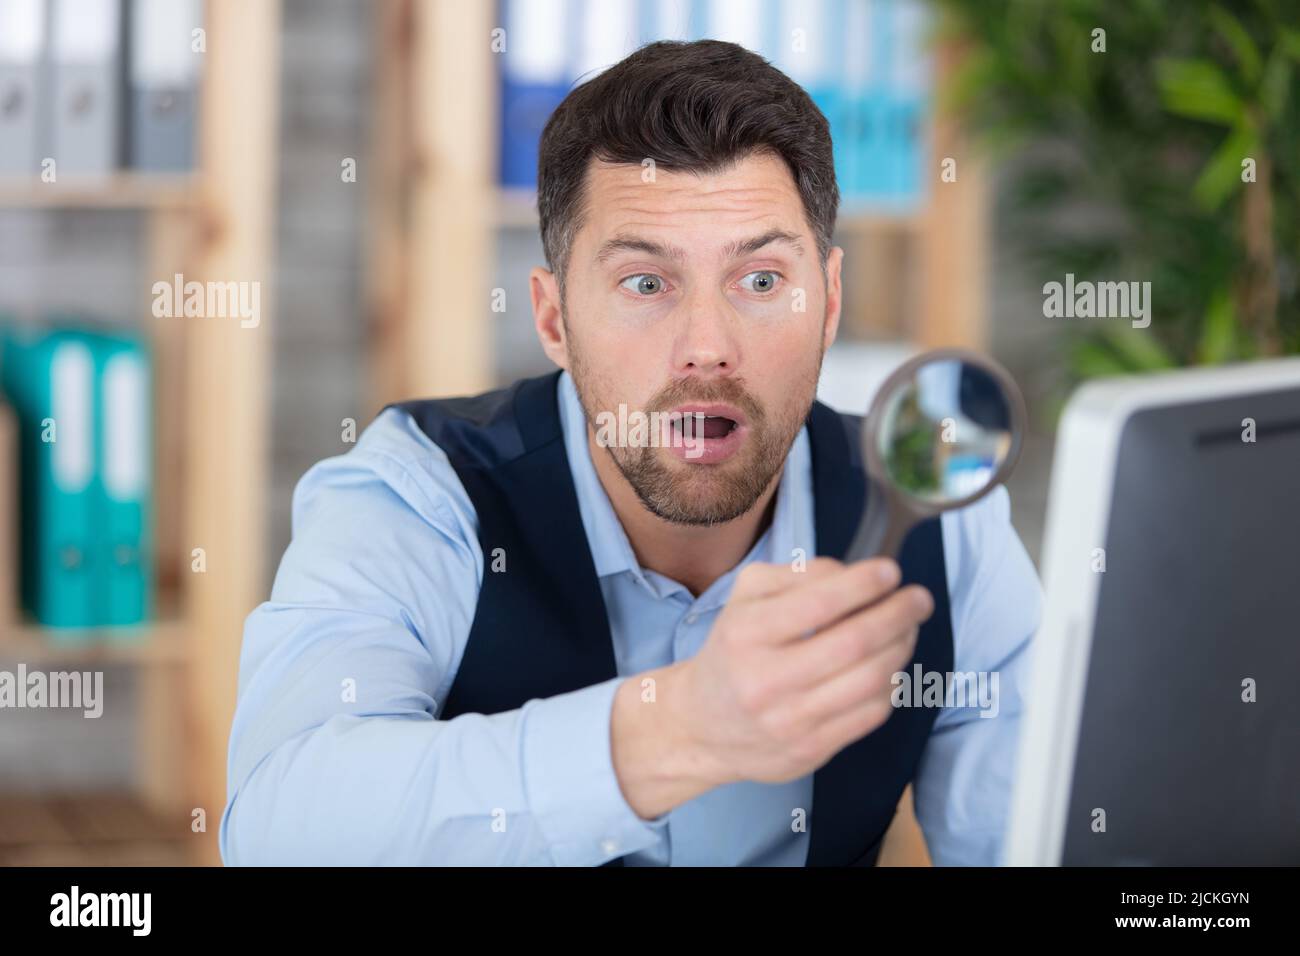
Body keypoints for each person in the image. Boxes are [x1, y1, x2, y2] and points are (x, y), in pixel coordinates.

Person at [221, 39, 1042, 866]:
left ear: (829, 304)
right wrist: (678, 729)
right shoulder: (419, 493)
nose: (707, 348)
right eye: (646, 284)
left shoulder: (949, 530)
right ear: (552, 321)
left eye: (761, 280)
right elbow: (278, 828)